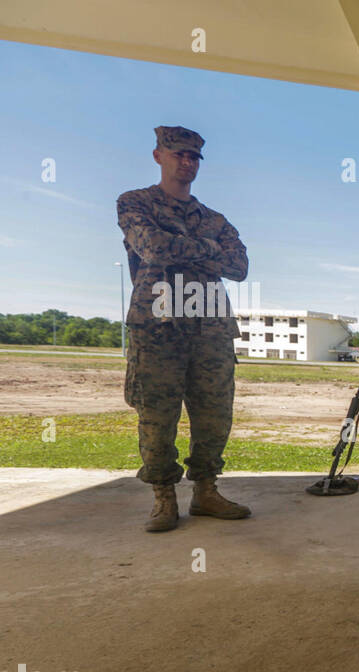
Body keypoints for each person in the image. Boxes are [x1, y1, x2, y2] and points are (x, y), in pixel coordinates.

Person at [117, 125, 250, 532]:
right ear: (159, 155)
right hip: (158, 325)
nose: (187, 162)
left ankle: (206, 491)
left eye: (194, 157)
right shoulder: (134, 202)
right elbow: (152, 247)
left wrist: (186, 250)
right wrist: (209, 252)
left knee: (214, 415)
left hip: (210, 325)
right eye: (179, 154)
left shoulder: (214, 218)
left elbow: (240, 267)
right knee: (157, 416)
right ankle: (163, 497)